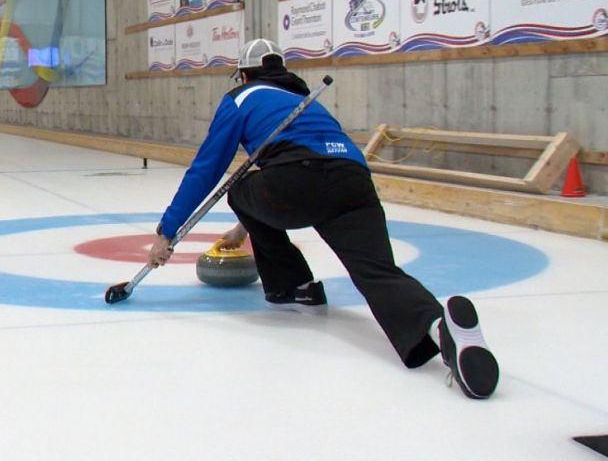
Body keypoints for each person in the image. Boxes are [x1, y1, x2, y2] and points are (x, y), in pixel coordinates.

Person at [147, 38, 499, 399]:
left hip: (294, 182)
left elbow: (207, 169)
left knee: (238, 188)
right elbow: (316, 164)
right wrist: (245, 225)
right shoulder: (304, 100)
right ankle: (439, 326)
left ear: (244, 75)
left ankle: (294, 285)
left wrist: (167, 231)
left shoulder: (240, 99)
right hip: (353, 182)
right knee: (377, 272)